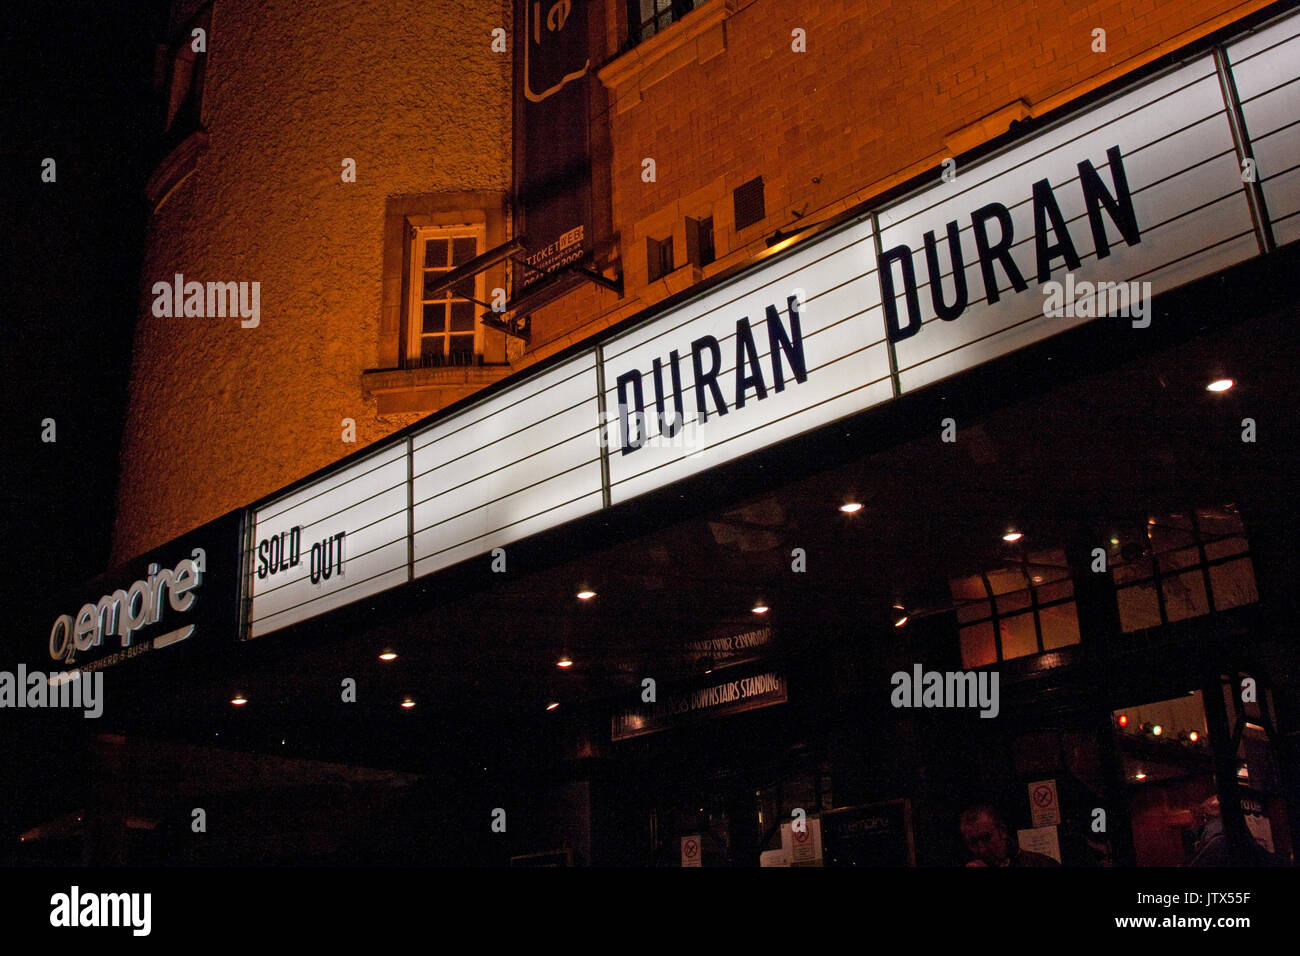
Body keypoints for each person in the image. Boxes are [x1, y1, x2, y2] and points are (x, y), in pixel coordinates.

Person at [960, 804, 1059, 867]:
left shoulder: (1041, 864)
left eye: (986, 838)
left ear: (1002, 832)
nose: (982, 849)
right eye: (973, 842)